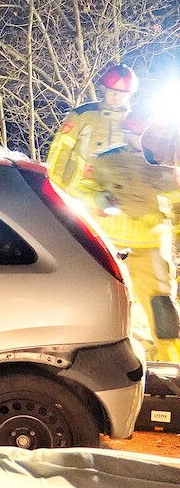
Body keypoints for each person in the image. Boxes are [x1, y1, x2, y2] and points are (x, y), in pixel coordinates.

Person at [73, 113, 180, 361]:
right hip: (111, 248)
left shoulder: (164, 165)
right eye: (134, 134)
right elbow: (80, 189)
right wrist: (96, 198)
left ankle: (171, 364)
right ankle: (118, 360)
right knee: (103, 309)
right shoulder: (105, 161)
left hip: (150, 249)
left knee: (162, 309)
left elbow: (177, 203)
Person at [45, 62, 138, 192]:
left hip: (114, 197)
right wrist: (54, 186)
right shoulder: (82, 115)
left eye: (121, 93)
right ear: (104, 89)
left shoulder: (135, 124)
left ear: (129, 95)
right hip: (75, 190)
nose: (116, 97)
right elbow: (59, 152)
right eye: (112, 91)